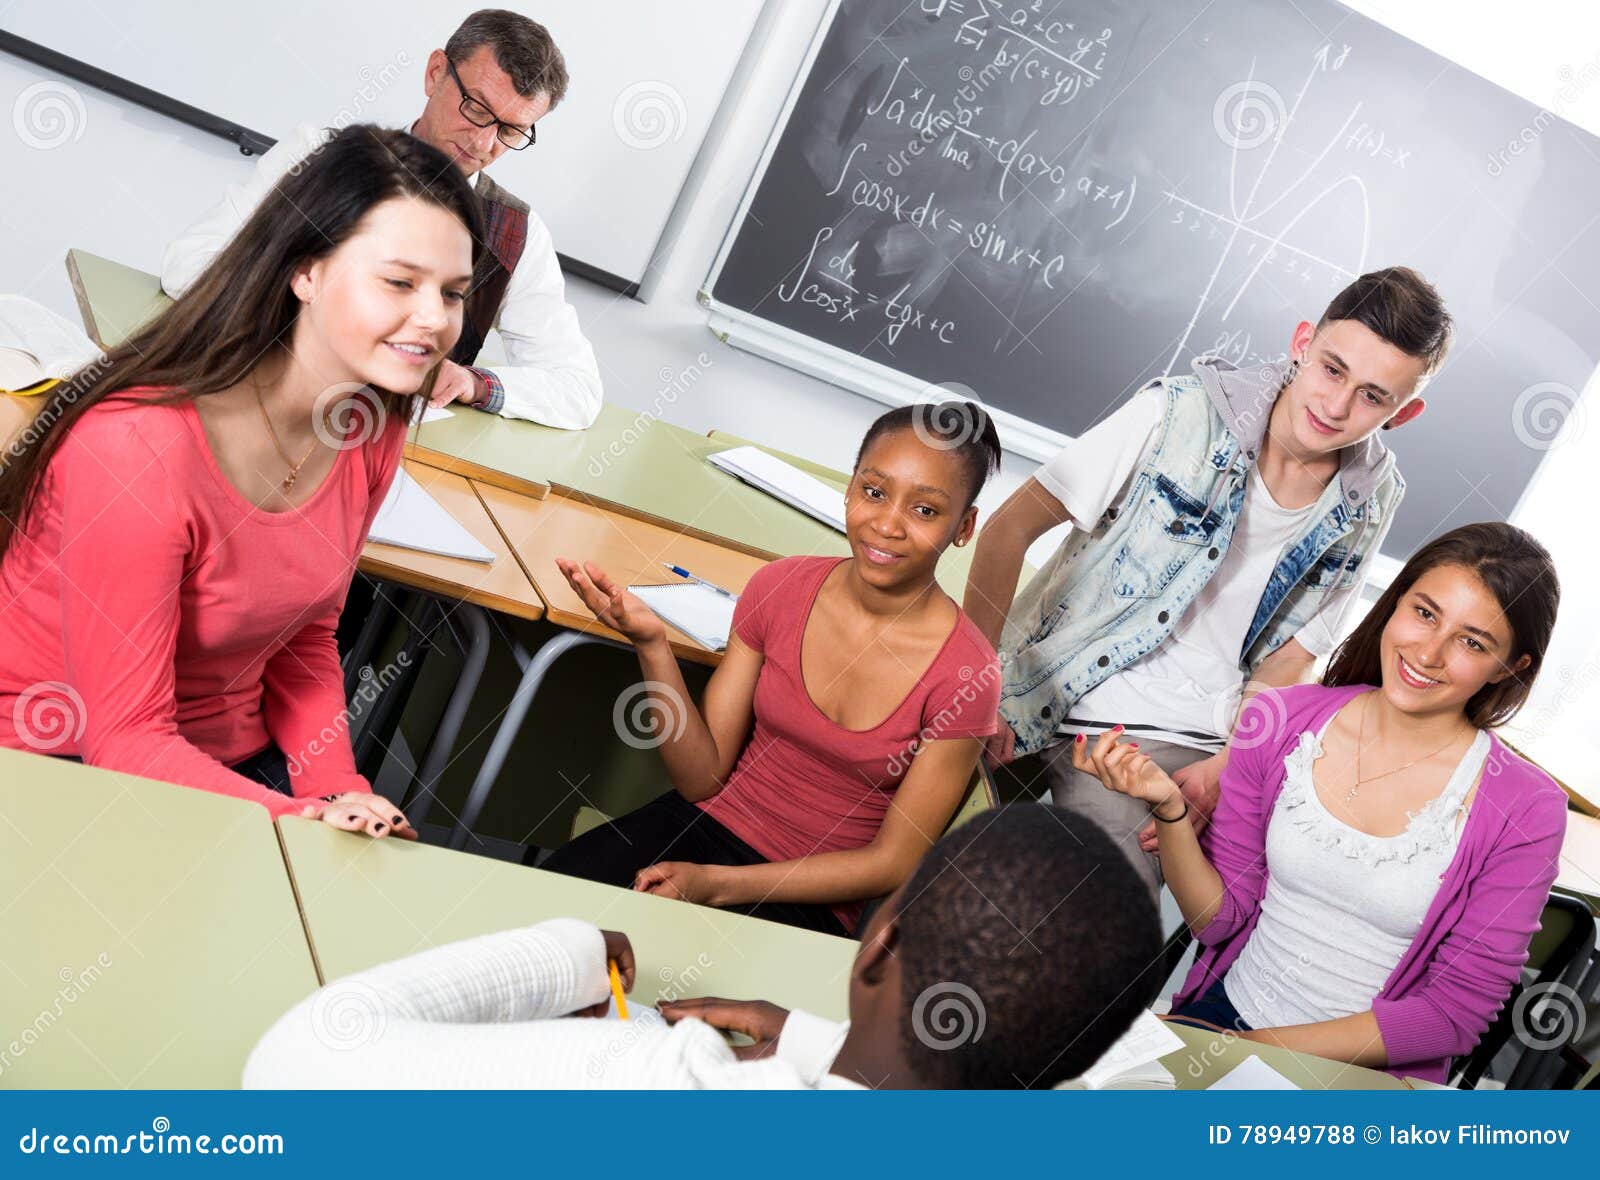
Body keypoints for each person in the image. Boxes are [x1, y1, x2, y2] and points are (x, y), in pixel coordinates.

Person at [0, 125, 482, 837]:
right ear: (306, 271)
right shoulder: (135, 446)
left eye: (454, 292)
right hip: (56, 764)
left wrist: (340, 790)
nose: (435, 320)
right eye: (400, 282)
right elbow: (123, 738)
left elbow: (305, 635)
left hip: (226, 766)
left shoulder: (371, 425)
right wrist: (302, 819)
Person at [965, 267, 1453, 901]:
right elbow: (1008, 530)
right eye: (1333, 370)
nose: (1336, 406)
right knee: (885, 817)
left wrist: (1230, 768)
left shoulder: (1370, 499)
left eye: (1372, 396)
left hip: (1178, 741)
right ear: (1302, 343)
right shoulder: (1177, 413)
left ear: (1404, 412)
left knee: (1096, 918)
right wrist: (972, 688)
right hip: (1042, 681)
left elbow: (1288, 664)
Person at [1072, 523, 1567, 1085]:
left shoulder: (1527, 808)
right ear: (1394, 601)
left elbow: (1452, 1016)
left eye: (1472, 642)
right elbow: (1220, 922)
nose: (1428, 653)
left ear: (1510, 668)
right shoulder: (1280, 719)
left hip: (1363, 1077)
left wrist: (1248, 1052)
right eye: (1425, 613)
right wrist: (1170, 809)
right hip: (1223, 1020)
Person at [242, 803, 1163, 1088]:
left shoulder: (666, 1078)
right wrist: (806, 1039)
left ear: (877, 944)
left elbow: (298, 1059)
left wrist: (568, 953)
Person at [537, 402, 1004, 936]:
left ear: (963, 527)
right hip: (697, 828)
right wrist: (653, 645)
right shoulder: (779, 587)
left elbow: (890, 862)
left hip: (810, 899)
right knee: (535, 929)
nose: (888, 524)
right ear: (850, 489)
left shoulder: (968, 674)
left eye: (925, 511)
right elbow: (700, 778)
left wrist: (718, 885)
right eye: (874, 492)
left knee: (666, 996)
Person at [161, 9, 601, 429]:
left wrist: (474, 382)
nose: (484, 141)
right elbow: (189, 265)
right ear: (435, 74)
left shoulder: (517, 233)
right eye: (477, 110)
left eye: (509, 131)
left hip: (397, 460)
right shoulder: (317, 157)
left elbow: (576, 389)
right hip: (257, 408)